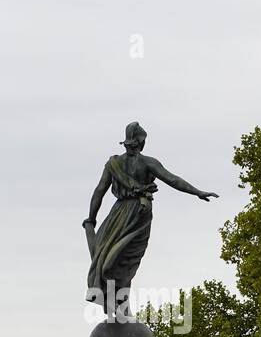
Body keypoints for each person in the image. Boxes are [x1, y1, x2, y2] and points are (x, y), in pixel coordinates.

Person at [84, 122, 218, 316]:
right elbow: (100, 190)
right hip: (128, 213)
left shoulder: (133, 163)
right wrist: (91, 219)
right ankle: (116, 302)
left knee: (117, 258)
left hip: (128, 214)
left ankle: (119, 302)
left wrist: (91, 218)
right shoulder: (126, 163)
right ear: (141, 141)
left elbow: (172, 179)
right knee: (114, 259)